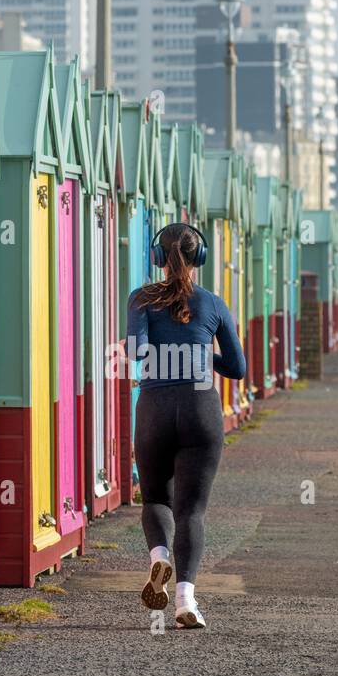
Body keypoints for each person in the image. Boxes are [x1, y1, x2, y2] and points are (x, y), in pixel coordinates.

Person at [127, 223, 246, 629]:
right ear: (201, 258)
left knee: (156, 500)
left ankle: (159, 558)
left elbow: (136, 352)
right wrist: (200, 353)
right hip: (201, 409)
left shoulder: (142, 299)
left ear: (157, 258)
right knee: (192, 511)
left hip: (156, 407)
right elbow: (238, 367)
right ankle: (185, 602)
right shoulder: (213, 302)